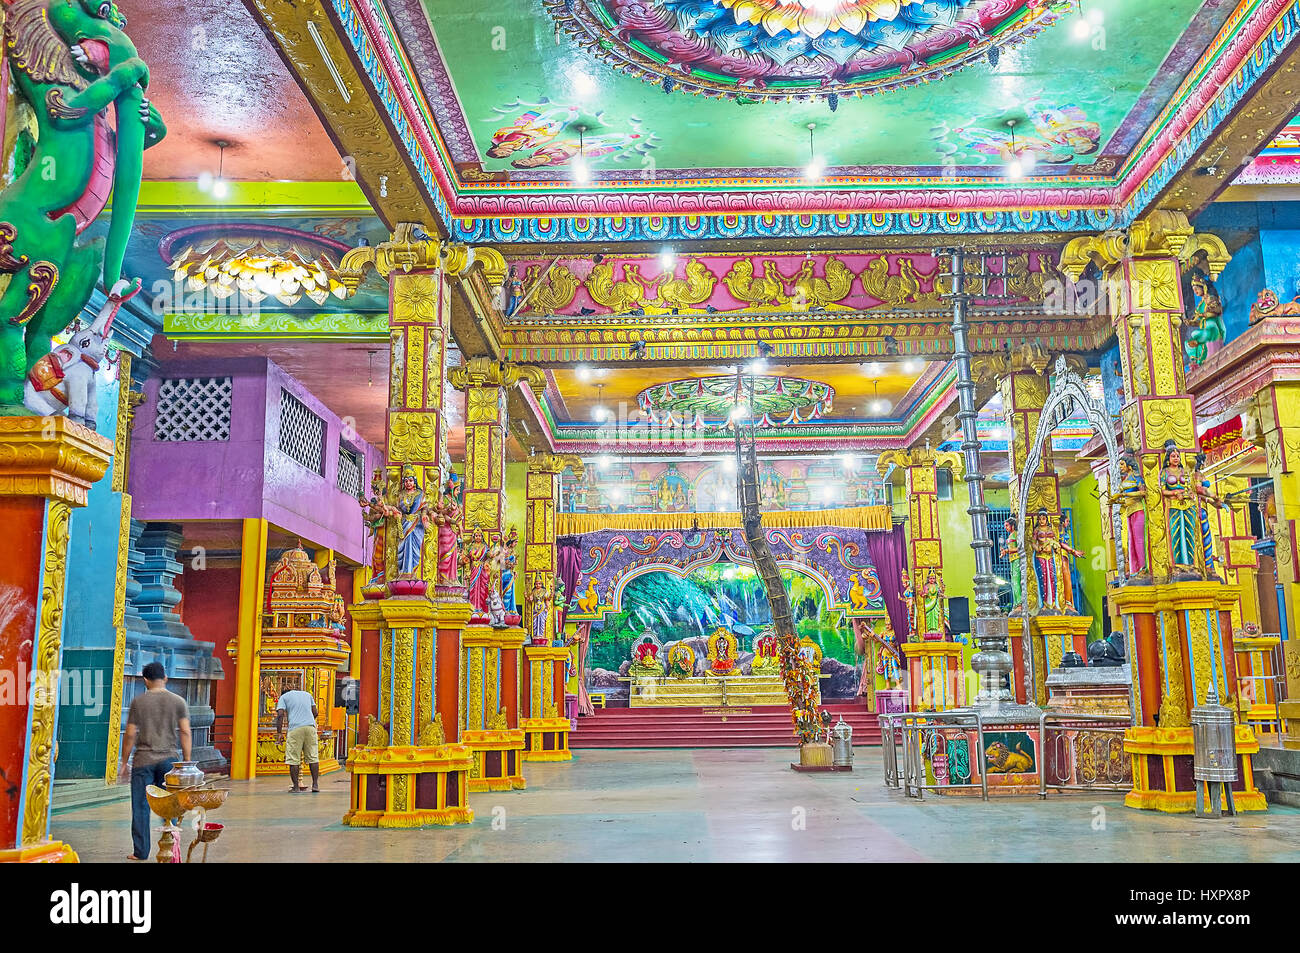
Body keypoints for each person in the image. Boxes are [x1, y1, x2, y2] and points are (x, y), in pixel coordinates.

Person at [120, 661, 191, 862]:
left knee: (141, 806)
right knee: (171, 806)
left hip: (143, 761)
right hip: (169, 761)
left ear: (145, 680)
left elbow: (131, 734)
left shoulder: (138, 702)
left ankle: (140, 852)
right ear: (165, 678)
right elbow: (185, 731)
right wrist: (186, 762)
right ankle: (173, 847)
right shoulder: (178, 701)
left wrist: (124, 761)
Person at [275, 685, 320, 793]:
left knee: (293, 758)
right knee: (313, 757)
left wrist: (279, 733)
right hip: (310, 727)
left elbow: (280, 714)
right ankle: (315, 785)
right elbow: (316, 712)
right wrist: (307, 720)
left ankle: (296, 787)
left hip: (295, 729)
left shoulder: (284, 697)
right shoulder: (307, 694)